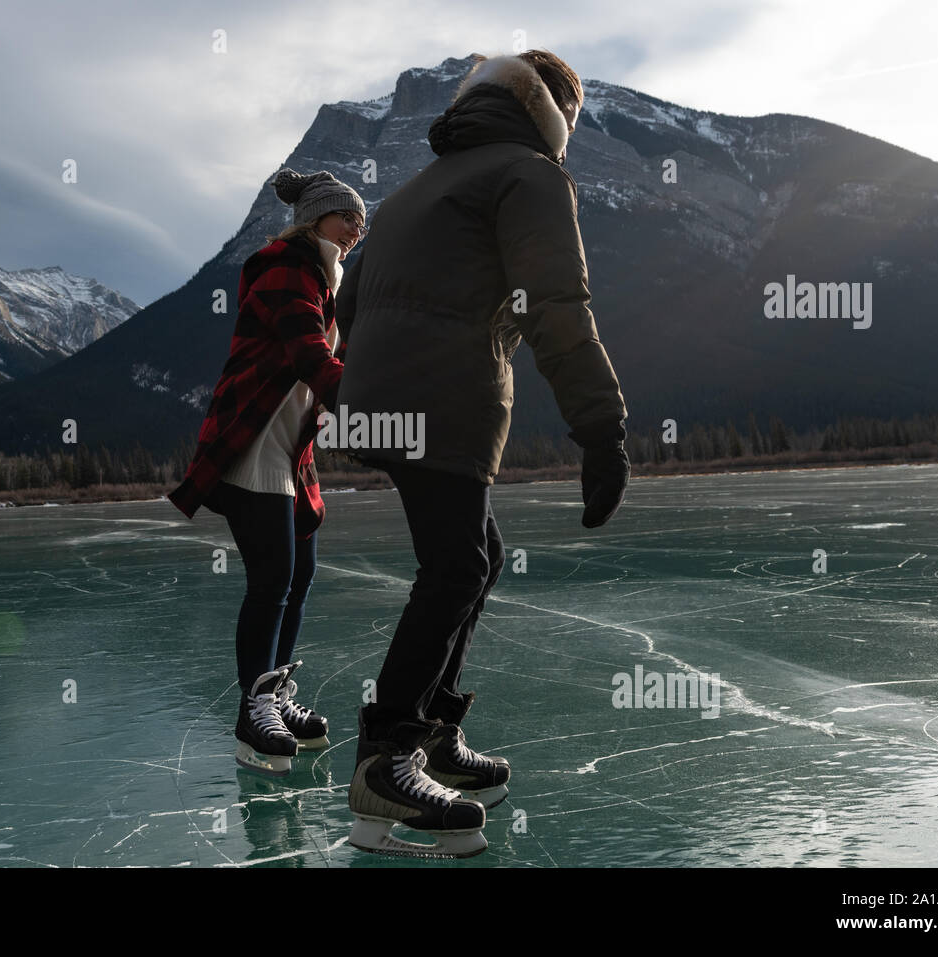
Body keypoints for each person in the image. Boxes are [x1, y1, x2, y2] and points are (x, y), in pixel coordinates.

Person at [334, 50, 631, 856]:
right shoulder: (531, 175)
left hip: (378, 403)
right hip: (443, 395)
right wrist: (600, 428)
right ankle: (386, 756)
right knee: (458, 565)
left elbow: (346, 302)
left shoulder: (411, 189)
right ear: (553, 118)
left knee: (477, 553)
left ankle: (427, 737)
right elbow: (556, 306)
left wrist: (363, 389)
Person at [169, 168, 368, 776]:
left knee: (300, 574)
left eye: (362, 221)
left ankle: (275, 695)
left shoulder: (325, 277)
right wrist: (362, 402)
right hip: (254, 441)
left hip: (291, 449)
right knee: (272, 578)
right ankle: (254, 714)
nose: (356, 229)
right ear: (316, 218)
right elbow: (308, 350)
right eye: (346, 217)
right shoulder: (286, 265)